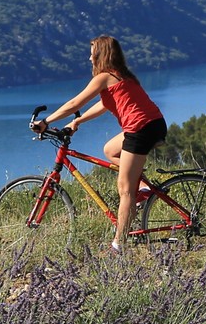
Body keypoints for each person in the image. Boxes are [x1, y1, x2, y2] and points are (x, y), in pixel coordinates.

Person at [33, 35, 167, 252]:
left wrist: (46, 122)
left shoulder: (105, 77)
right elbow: (104, 105)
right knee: (110, 150)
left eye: (92, 52)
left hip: (141, 129)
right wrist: (78, 120)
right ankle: (143, 188)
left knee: (124, 190)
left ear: (101, 54)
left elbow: (75, 102)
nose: (89, 58)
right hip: (151, 124)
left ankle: (118, 245)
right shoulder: (123, 76)